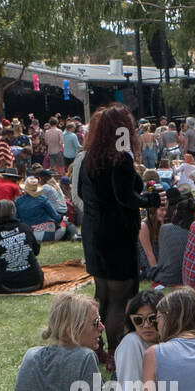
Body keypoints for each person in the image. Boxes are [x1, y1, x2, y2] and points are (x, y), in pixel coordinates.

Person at [77, 105, 144, 350]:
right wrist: (152, 200)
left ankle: (98, 348)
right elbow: (126, 198)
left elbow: (81, 195)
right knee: (120, 298)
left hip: (94, 233)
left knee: (103, 295)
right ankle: (117, 352)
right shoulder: (120, 160)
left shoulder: (88, 159)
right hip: (116, 236)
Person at [109, 288, 164, 391]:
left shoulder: (172, 343)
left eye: (152, 319)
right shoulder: (132, 343)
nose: (146, 325)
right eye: (138, 320)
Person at [0, 198, 44, 294]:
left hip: (6, 286)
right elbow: (36, 251)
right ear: (13, 211)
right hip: (36, 282)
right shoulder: (24, 228)